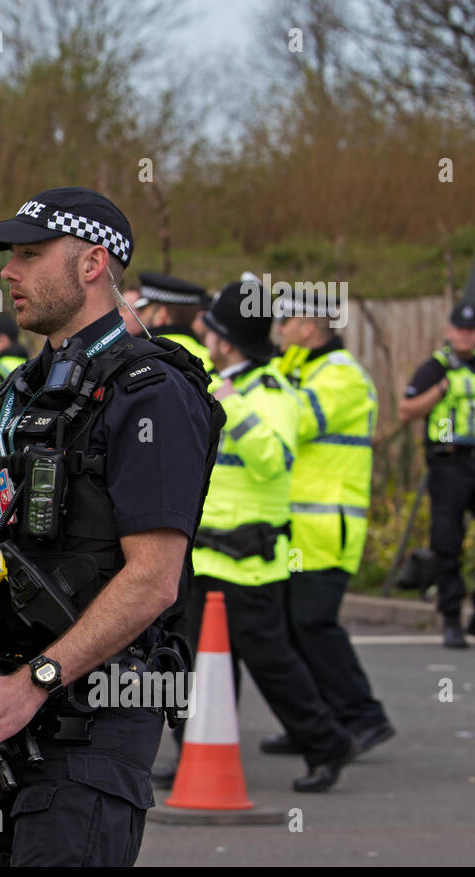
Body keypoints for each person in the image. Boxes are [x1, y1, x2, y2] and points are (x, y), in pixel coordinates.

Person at [0, 187, 217, 866]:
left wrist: (35, 682)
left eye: (29, 255)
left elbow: (155, 581)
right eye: (9, 257)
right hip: (4, 709)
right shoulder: (29, 388)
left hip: (87, 721)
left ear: (93, 263)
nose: (8, 273)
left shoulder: (151, 390)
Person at [177, 280, 356, 791]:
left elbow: (275, 459)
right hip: (207, 556)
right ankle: (193, 750)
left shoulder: (271, 393)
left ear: (228, 341)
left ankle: (327, 743)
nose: (203, 335)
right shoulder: (216, 382)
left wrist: (235, 407)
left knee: (272, 662)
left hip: (250, 561)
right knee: (200, 664)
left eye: (210, 329)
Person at [270, 299, 394, 755]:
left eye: (285, 322)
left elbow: (290, 422)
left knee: (313, 623)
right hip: (300, 530)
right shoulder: (299, 369)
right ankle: (315, 723)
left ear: (307, 327)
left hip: (326, 530)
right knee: (288, 625)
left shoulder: (342, 377)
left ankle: (363, 716)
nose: (278, 330)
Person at [399, 301, 475, 648]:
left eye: (472, 331)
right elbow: (406, 410)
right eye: (460, 330)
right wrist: (441, 390)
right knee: (447, 543)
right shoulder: (435, 369)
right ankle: (452, 617)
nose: (466, 336)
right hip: (449, 463)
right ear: (449, 331)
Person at [131, 271, 213, 371]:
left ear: (160, 315)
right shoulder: (210, 358)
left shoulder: (138, 354)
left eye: (143, 310)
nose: (138, 315)